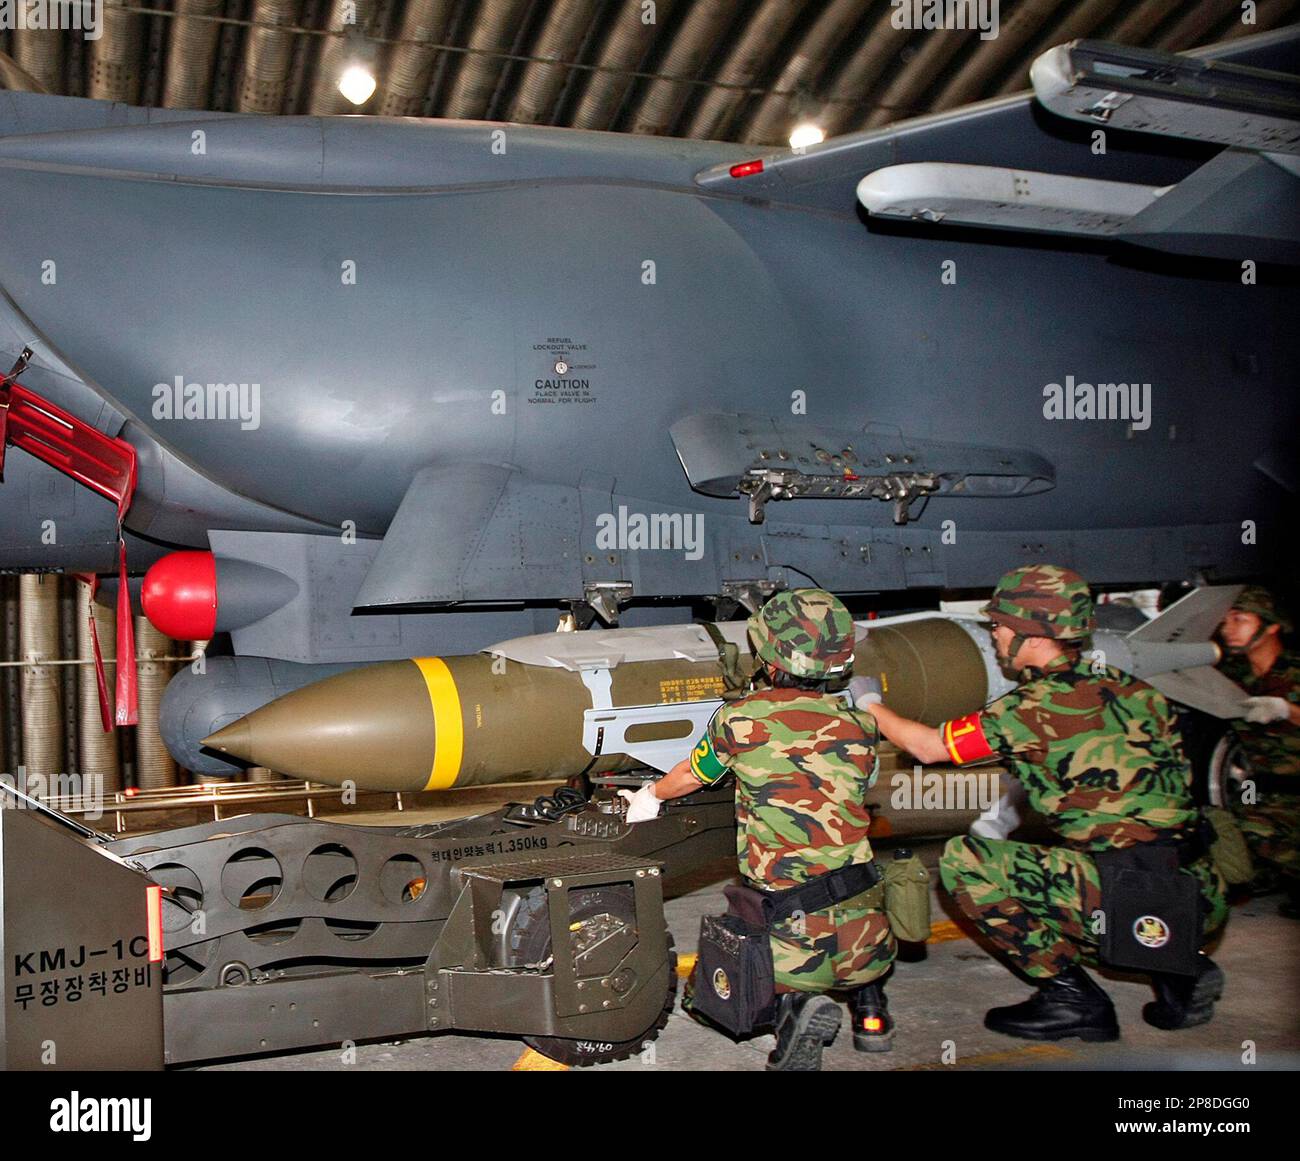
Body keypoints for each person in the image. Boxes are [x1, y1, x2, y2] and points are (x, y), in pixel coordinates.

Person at [857, 564, 1228, 1040]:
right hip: (1199, 891)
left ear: (1029, 635)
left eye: (998, 626)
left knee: (966, 862)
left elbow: (928, 748)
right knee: (1102, 851)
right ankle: (1177, 967)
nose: (993, 637)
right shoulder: (1136, 691)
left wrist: (869, 703)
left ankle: (1071, 999)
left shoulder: (1030, 708)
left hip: (1123, 892)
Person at [620, 588, 894, 1070]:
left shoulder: (741, 720)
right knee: (851, 893)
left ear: (767, 651)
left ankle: (796, 1013)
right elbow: (859, 782)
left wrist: (649, 797)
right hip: (869, 928)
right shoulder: (858, 725)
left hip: (790, 929)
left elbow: (692, 774)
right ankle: (872, 1014)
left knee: (714, 990)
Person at [1217, 585, 1300, 918]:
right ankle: (1268, 871)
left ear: (1271, 625)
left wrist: (1286, 709)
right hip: (1261, 789)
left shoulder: (1294, 671)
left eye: (1240, 619)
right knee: (1225, 827)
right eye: (1225, 621)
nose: (1229, 629)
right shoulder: (1232, 677)